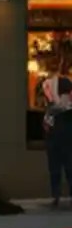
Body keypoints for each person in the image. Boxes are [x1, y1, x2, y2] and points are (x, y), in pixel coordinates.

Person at [41, 65, 72, 207]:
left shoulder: (58, 109)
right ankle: (56, 196)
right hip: (59, 143)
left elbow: (47, 125)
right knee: (61, 169)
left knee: (62, 169)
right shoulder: (55, 109)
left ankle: (56, 196)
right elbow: (46, 125)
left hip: (61, 143)